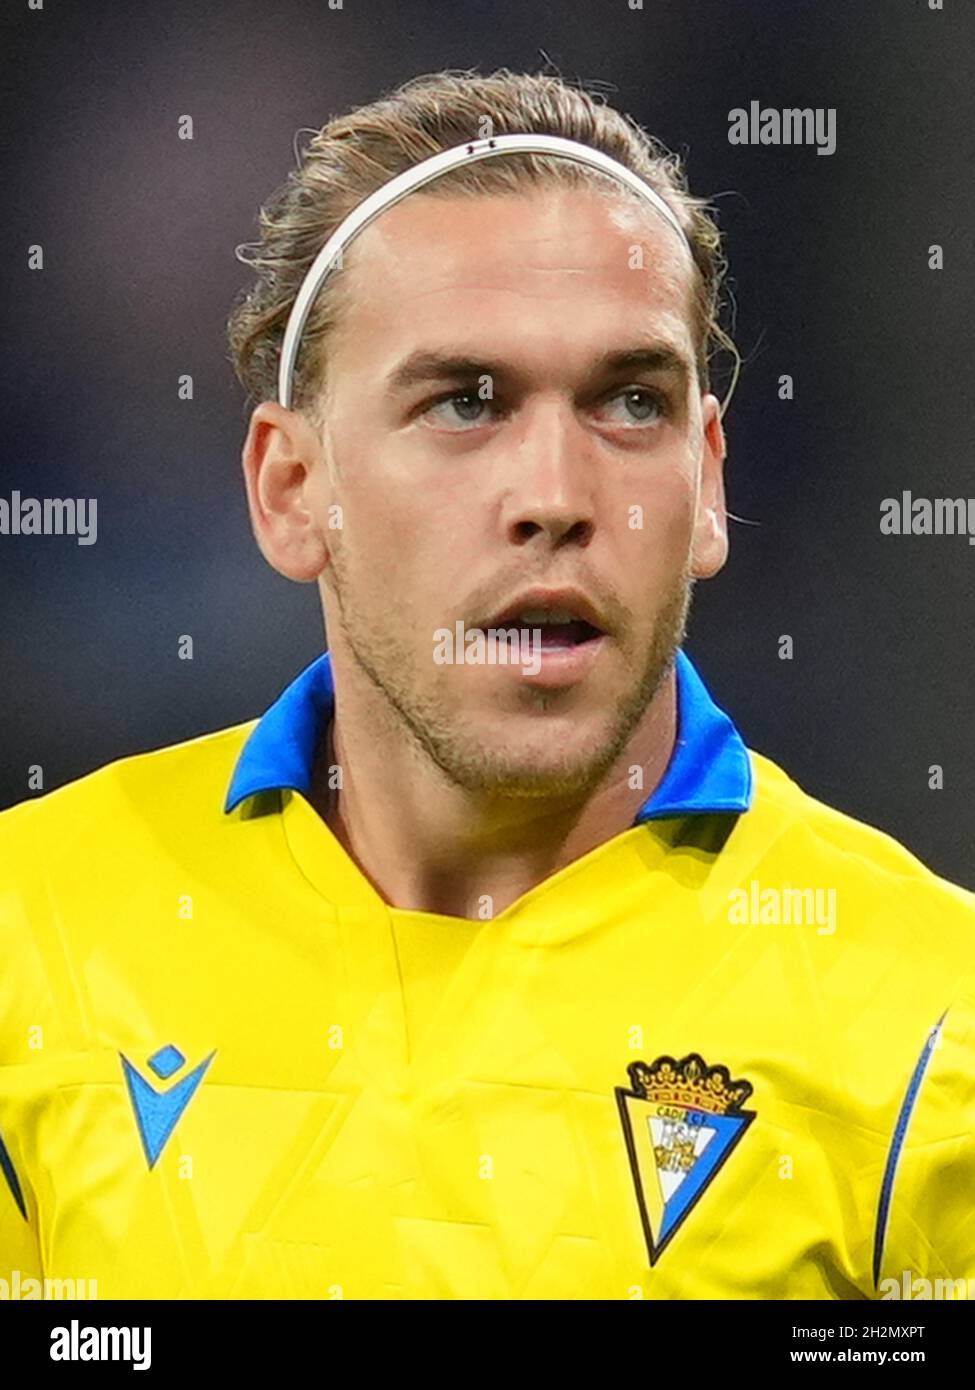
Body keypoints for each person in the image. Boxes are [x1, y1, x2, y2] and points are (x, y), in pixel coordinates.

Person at [2, 69, 973, 1301]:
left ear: (710, 480)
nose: (558, 496)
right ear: (293, 490)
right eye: (466, 402)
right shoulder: (31, 936)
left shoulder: (936, 1024)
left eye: (632, 403)